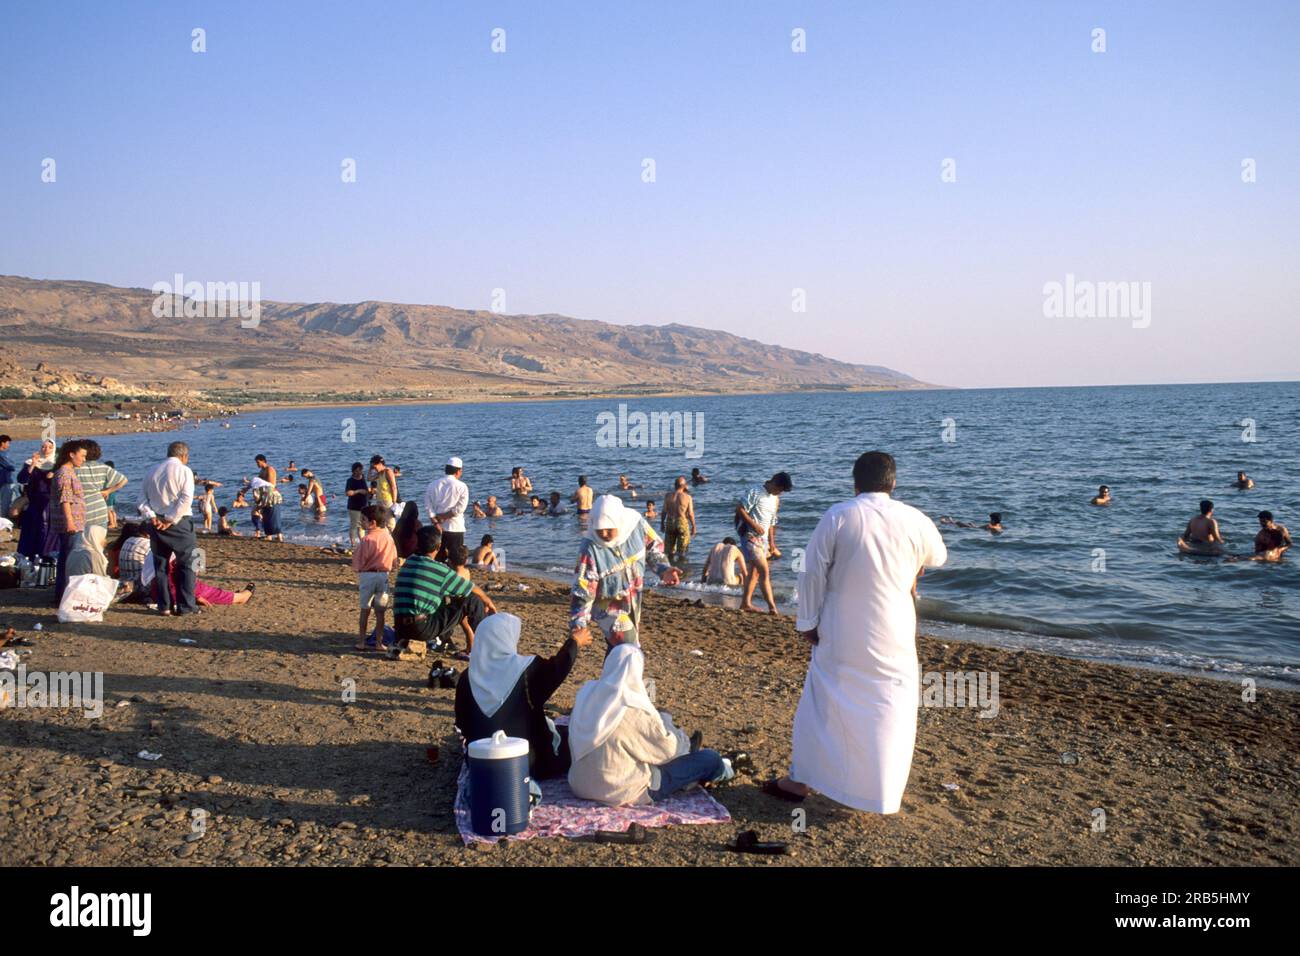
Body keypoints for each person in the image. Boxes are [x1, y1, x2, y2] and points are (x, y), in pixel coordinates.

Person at [767, 451, 948, 812]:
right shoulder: (914, 518)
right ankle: (881, 794)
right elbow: (938, 557)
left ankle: (800, 782)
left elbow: (812, 573)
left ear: (855, 482)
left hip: (841, 628)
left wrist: (807, 623)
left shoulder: (838, 515)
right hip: (895, 629)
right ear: (893, 483)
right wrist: (911, 569)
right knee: (890, 707)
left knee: (822, 704)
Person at [567, 644, 733, 806]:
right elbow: (669, 752)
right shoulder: (633, 709)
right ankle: (722, 769)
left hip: (579, 785)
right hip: (620, 791)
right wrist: (666, 721)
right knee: (709, 758)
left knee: (640, 749)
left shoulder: (585, 696)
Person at [454, 613, 590, 779]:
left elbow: (462, 723)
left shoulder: (467, 677)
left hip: (480, 761)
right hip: (526, 762)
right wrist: (574, 642)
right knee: (573, 741)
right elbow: (557, 668)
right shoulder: (527, 669)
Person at [569, 494, 681, 651]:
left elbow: (653, 548)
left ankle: (612, 675)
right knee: (629, 647)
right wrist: (578, 623)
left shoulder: (635, 525)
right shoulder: (590, 549)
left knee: (617, 648)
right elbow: (583, 589)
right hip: (608, 606)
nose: (604, 534)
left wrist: (664, 569)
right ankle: (627, 674)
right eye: (600, 529)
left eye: (609, 529)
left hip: (633, 599)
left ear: (619, 522)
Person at [392, 526, 497, 662]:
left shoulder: (409, 562)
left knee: (446, 599)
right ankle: (486, 646)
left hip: (400, 629)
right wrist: (487, 600)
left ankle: (453, 640)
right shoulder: (439, 569)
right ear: (439, 546)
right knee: (471, 600)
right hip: (420, 629)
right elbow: (470, 588)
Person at [141, 441, 199, 615]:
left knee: (161, 565)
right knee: (187, 564)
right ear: (184, 456)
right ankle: (186, 605)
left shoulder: (152, 470)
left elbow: (142, 500)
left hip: (156, 521)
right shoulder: (184, 470)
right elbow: (186, 499)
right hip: (178, 522)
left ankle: (164, 605)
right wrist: (170, 519)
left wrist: (152, 517)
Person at [736, 471, 793, 614]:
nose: (780, 493)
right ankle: (772, 607)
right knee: (764, 571)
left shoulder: (775, 499)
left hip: (764, 540)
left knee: (754, 572)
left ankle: (745, 603)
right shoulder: (755, 491)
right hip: (749, 536)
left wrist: (772, 544)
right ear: (774, 483)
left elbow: (772, 522)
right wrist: (754, 525)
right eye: (780, 489)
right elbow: (740, 509)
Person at [351, 505, 397, 652]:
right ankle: (379, 642)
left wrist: (358, 568)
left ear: (373, 523)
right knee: (380, 611)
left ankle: (362, 641)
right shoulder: (388, 537)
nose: (361, 522)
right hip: (383, 574)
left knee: (365, 609)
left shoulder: (367, 539)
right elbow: (394, 559)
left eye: (363, 520)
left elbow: (358, 561)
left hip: (368, 575)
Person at [49, 440, 89, 605]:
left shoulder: (66, 472)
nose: (84, 459)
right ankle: (63, 596)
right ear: (71, 454)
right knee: (68, 559)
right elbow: (65, 500)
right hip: (71, 524)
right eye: (82, 456)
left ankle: (62, 595)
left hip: (72, 522)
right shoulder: (65, 473)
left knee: (66, 558)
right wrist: (70, 522)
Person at [75, 441, 128, 534]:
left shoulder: (76, 468)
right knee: (98, 542)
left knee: (81, 543)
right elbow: (123, 480)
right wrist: (108, 491)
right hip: (100, 509)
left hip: (82, 509)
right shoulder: (103, 467)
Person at [16, 439, 55, 560]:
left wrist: (55, 475)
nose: (46, 450)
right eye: (44, 447)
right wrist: (33, 464)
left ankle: (46, 557)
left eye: (49, 447)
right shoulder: (30, 463)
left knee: (47, 532)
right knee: (32, 531)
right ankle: (29, 557)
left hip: (50, 503)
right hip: (34, 502)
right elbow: (22, 479)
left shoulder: (56, 464)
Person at [424, 456, 469, 560]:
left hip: (437, 528)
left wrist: (436, 521)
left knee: (438, 558)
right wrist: (443, 517)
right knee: (455, 558)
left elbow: (428, 506)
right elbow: (460, 509)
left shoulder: (432, 484)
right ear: (458, 471)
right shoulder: (462, 486)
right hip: (455, 527)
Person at [661, 476, 696, 562]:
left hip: (670, 522)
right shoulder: (687, 497)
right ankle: (682, 570)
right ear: (684, 486)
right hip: (682, 522)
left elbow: (664, 511)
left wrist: (662, 523)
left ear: (675, 485)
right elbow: (691, 514)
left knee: (669, 552)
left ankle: (670, 569)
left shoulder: (668, 496)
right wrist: (694, 526)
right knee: (682, 551)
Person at [254, 455, 285, 541]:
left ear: (263, 461)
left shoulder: (270, 469)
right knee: (266, 516)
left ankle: (279, 536)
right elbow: (258, 483)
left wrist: (264, 500)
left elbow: (271, 485)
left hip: (272, 495)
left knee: (274, 516)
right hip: (265, 495)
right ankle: (269, 536)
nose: (257, 464)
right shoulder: (262, 471)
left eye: (258, 462)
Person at [343, 461, 369, 547]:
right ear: (353, 471)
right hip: (353, 506)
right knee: (354, 524)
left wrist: (359, 491)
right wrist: (358, 491)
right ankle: (353, 543)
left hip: (364, 505)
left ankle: (362, 542)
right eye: (357, 470)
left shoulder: (363, 479)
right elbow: (348, 493)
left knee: (362, 525)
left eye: (360, 470)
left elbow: (366, 491)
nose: (359, 472)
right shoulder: (350, 481)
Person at [369, 456, 398, 527]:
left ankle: (393, 537)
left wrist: (394, 502)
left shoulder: (388, 471)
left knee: (390, 524)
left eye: (375, 467)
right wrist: (370, 468)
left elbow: (393, 487)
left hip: (387, 500)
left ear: (380, 464)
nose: (375, 469)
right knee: (382, 523)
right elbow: (369, 478)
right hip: (379, 500)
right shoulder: (379, 473)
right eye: (373, 468)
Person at [0, 435, 20, 516]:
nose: (9, 445)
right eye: (7, 443)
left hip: (4, 481)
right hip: (6, 481)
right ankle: (4, 519)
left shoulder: (4, 454)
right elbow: (11, 467)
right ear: (2, 443)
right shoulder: (2, 454)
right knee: (6, 502)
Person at [939, 512, 1003, 533]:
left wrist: (973, 526)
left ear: (993, 520)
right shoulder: (999, 526)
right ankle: (951, 521)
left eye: (991, 519)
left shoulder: (990, 526)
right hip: (975, 527)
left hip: (973, 528)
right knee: (966, 523)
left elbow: (980, 528)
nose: (990, 520)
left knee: (958, 522)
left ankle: (945, 522)